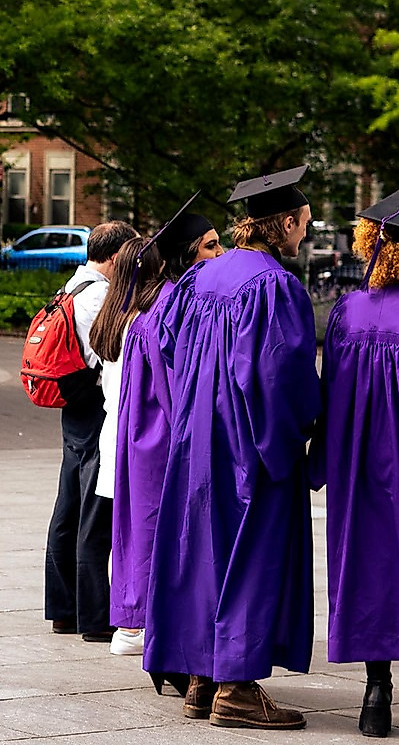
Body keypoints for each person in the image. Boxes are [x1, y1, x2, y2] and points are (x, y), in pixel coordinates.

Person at [145, 166, 320, 730]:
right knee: (251, 552)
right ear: (285, 223)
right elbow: (282, 374)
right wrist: (303, 429)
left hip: (197, 438)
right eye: (304, 223)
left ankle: (202, 677)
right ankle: (238, 689)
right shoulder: (275, 285)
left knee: (206, 549)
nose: (306, 234)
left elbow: (167, 343)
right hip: (250, 441)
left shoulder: (201, 276)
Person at [309, 186, 399, 740]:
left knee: (368, 571)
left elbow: (330, 394)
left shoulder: (348, 312)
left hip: (357, 475)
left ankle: (375, 695)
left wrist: (323, 463)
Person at [111, 200, 225, 679]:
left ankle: (135, 620)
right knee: (161, 527)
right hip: (162, 433)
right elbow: (174, 386)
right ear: (187, 253)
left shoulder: (153, 301)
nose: (221, 253)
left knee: (142, 523)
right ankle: (149, 626)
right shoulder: (172, 305)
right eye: (211, 246)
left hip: (142, 431)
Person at [44, 219, 139, 642]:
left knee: (68, 507)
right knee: (95, 512)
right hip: (96, 407)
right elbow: (112, 357)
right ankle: (95, 615)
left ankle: (64, 609)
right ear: (116, 257)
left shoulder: (72, 286)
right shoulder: (100, 296)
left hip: (74, 407)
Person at [87, 233, 165, 658]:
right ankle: (134, 623)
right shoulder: (145, 322)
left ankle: (126, 620)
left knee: (123, 533)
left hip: (114, 429)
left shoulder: (112, 317)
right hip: (140, 433)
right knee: (140, 532)